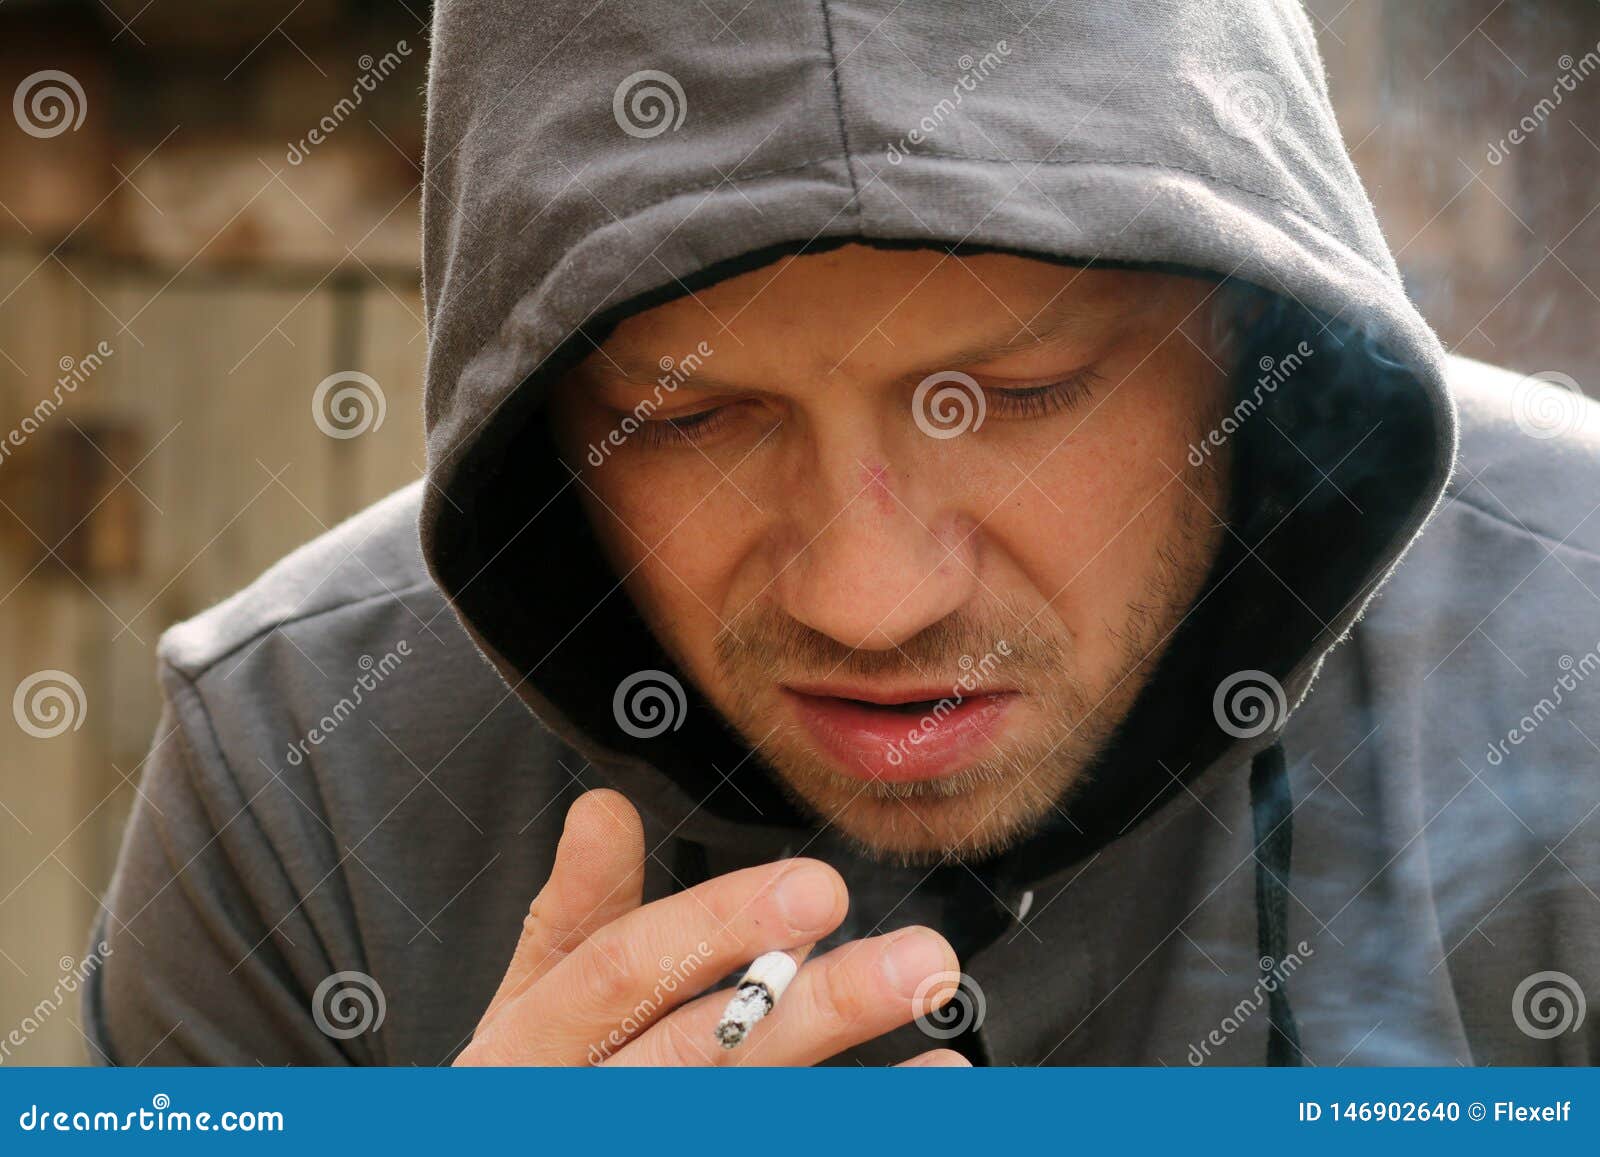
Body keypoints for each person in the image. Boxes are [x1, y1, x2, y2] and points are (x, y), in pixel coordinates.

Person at [86, 0, 1600, 1067]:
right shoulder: (301, 771)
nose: (868, 600)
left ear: (1249, 341)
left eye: (1015, 393)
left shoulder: (1572, 642)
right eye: (683, 419)